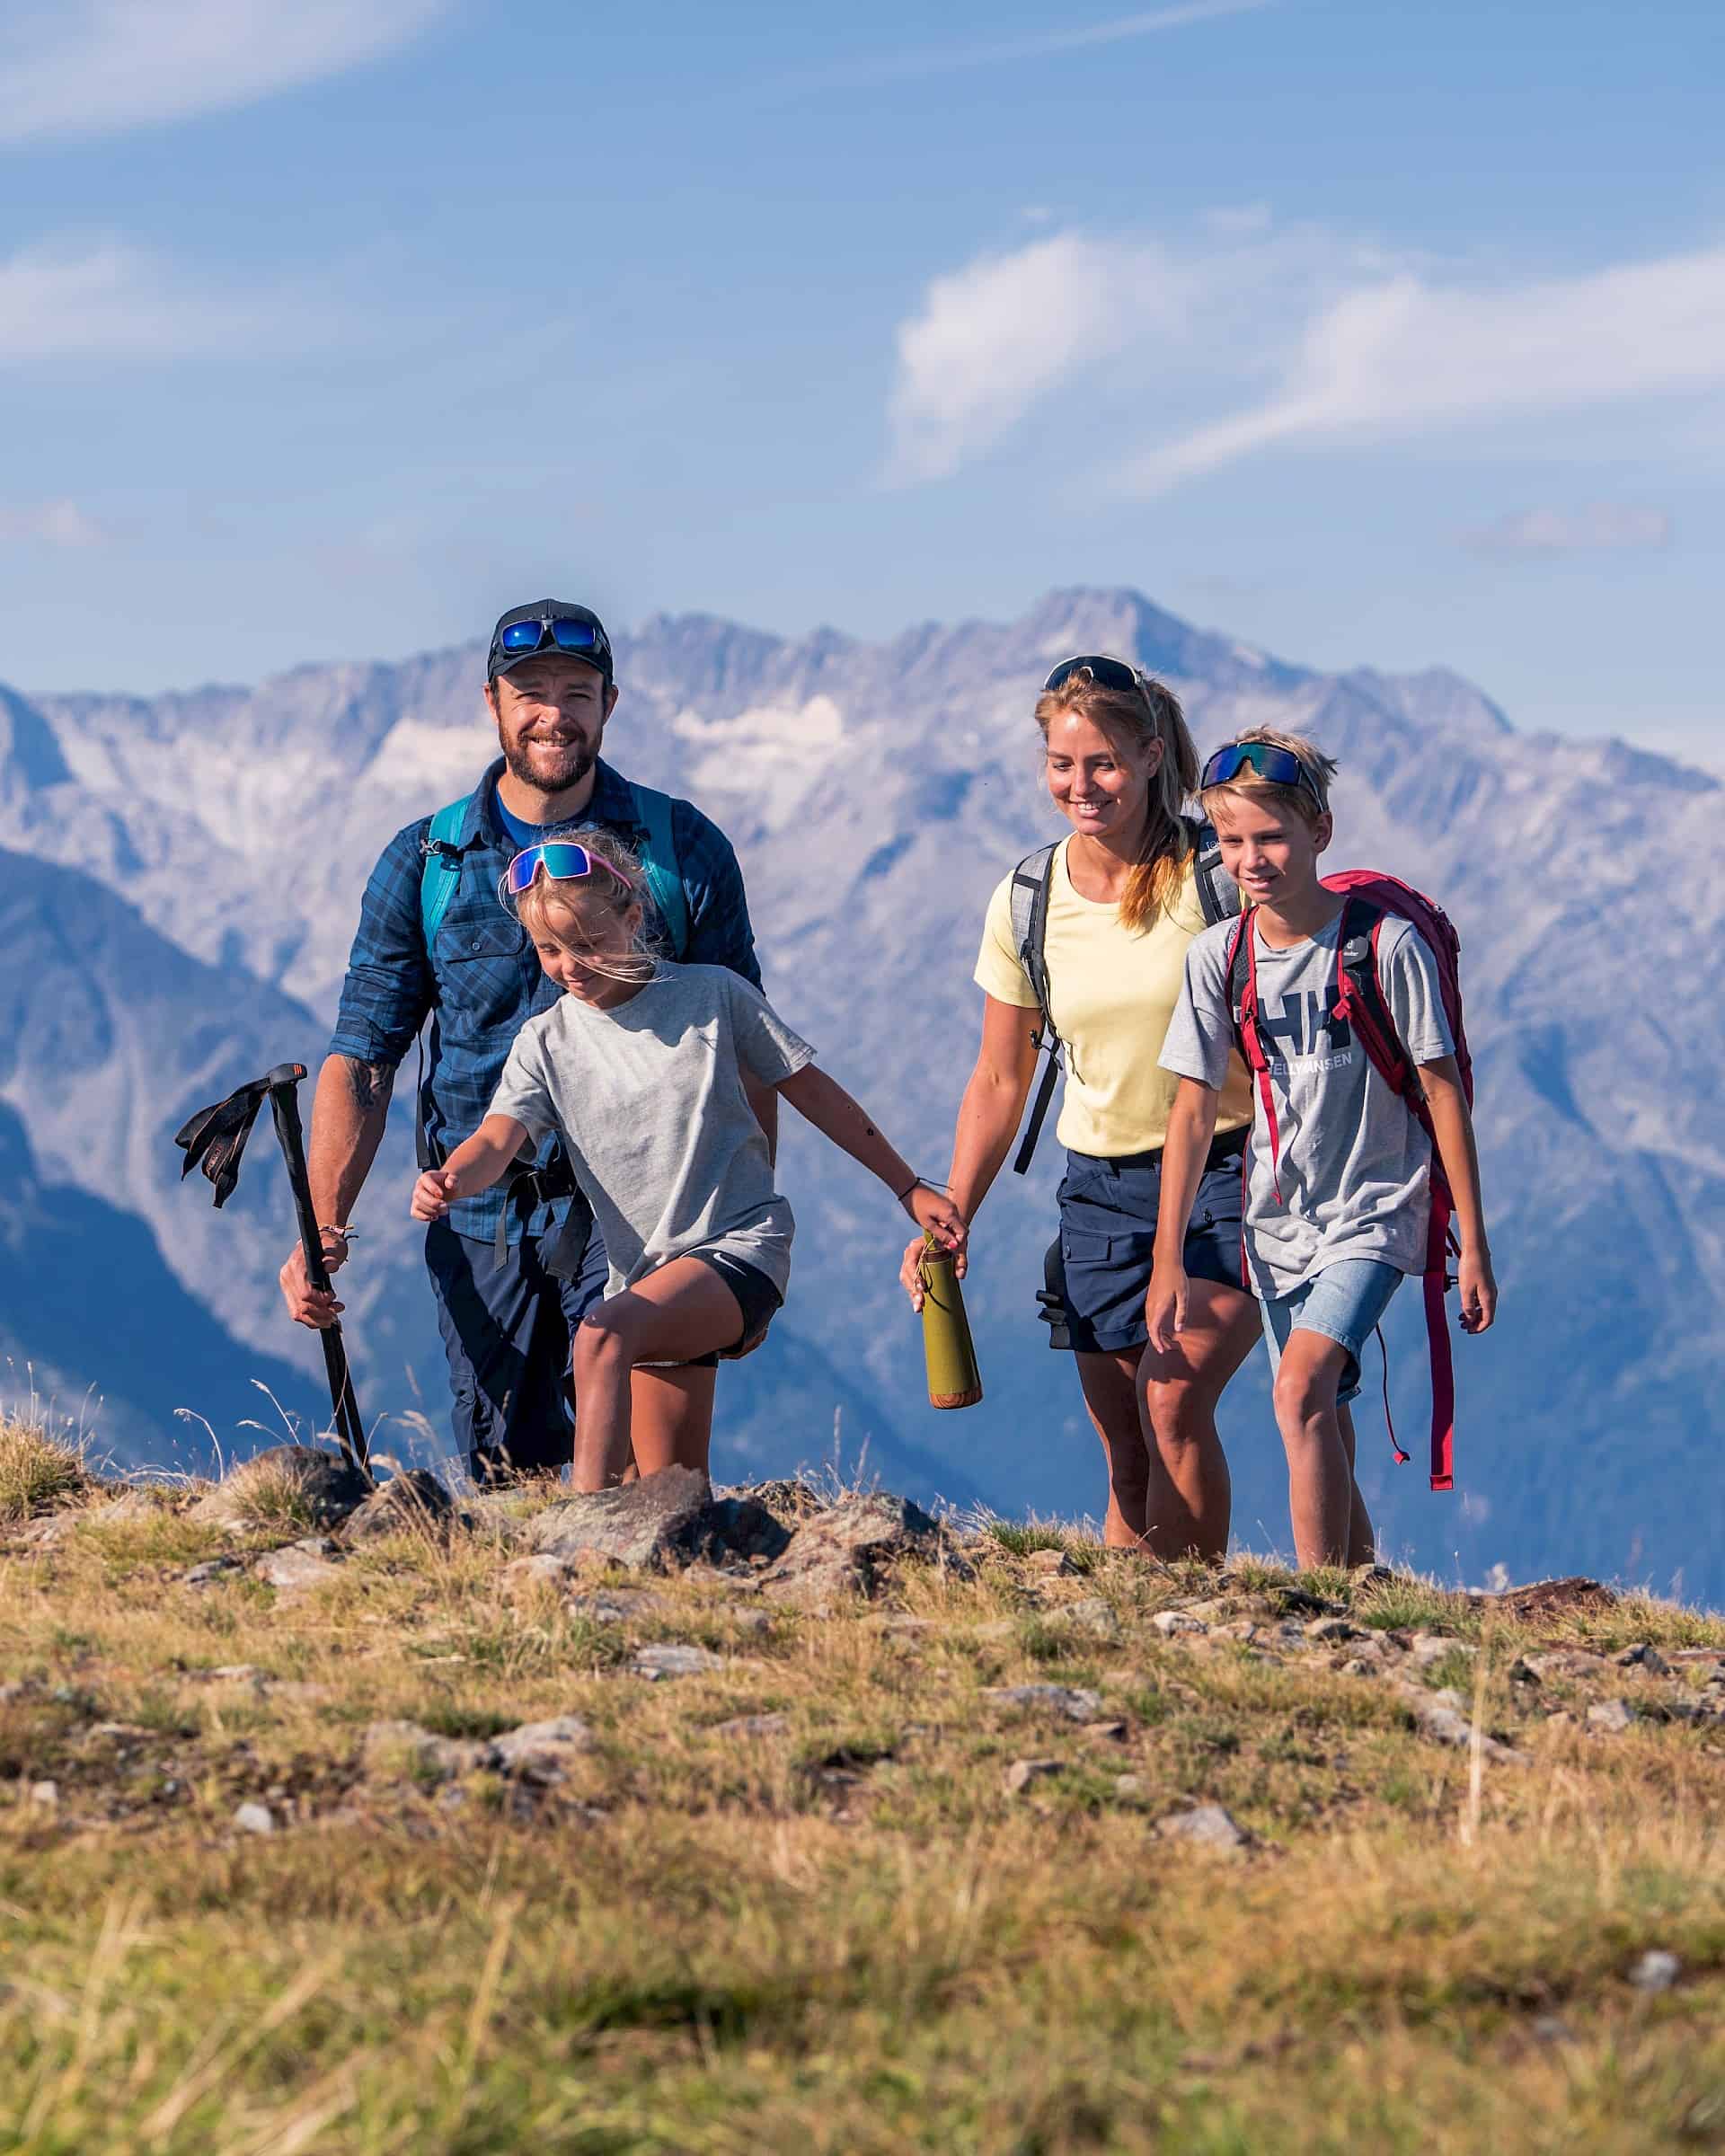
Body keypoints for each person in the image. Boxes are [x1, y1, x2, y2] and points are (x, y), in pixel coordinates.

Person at [279, 600, 765, 1484]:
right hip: (484, 1221)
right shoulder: (426, 861)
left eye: (576, 692)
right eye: (530, 693)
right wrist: (324, 1226)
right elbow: (365, 1057)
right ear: (492, 704)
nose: (554, 714)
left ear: (610, 703)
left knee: (644, 1484)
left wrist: (738, 1236)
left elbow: (746, 1048)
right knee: (511, 1483)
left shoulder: (682, 850)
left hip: (646, 1216)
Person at [412, 828, 964, 1489]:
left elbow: (816, 1094)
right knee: (667, 1491)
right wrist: (451, 1178)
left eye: (587, 942)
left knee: (598, 1339)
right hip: (644, 1277)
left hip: (739, 1247)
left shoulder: (714, 996)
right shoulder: (545, 1041)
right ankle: (642, 1542)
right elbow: (497, 1140)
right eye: (550, 949)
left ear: (633, 917)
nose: (570, 966)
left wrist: (908, 1188)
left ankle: (578, 1537)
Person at [898, 655, 1262, 1559]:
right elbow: (1000, 1078)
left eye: (1102, 763)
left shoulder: (1217, 879)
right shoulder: (1028, 898)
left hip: (1229, 1173)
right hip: (1100, 1192)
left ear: (1149, 757)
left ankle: (1195, 1612)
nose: (1080, 785)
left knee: (1172, 1397)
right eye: (1062, 764)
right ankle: (1135, 1625)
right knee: (1129, 1452)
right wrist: (955, 1209)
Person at [1149, 727, 1496, 1569]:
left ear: (1320, 832)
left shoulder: (1385, 946)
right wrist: (1168, 1260)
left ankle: (1317, 1605)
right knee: (1323, 1414)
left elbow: (1443, 1093)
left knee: (1299, 1389)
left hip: (1378, 1210)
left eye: (1270, 837)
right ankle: (1361, 1594)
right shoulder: (1218, 958)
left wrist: (1475, 1244)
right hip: (1277, 1222)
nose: (1251, 860)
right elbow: (1192, 1112)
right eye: (1231, 841)